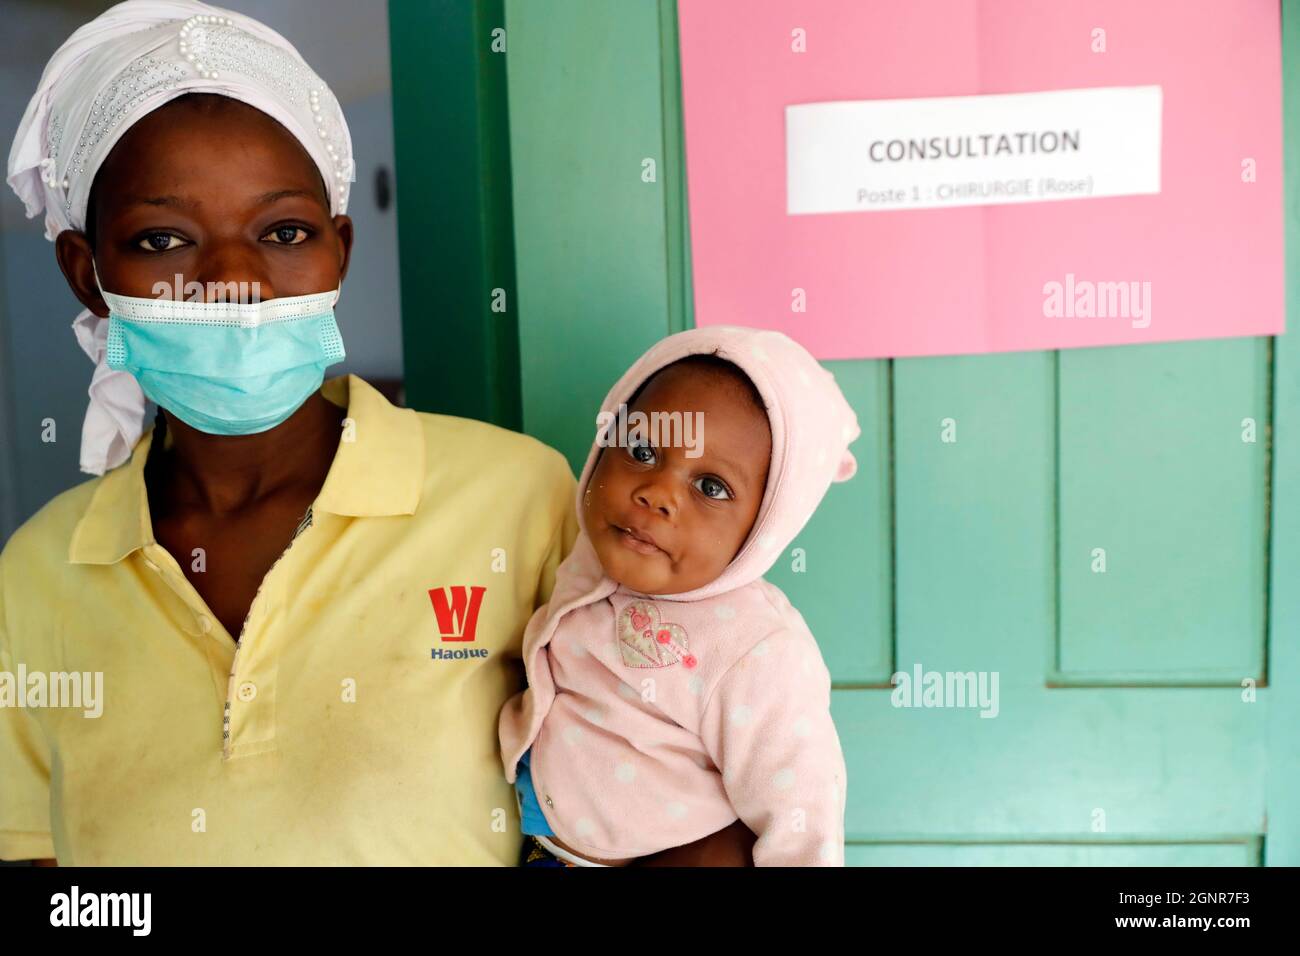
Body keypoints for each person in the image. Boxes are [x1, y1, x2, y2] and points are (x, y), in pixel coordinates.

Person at [0, 0, 752, 866]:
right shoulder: (38, 575)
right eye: (163, 238)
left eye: (284, 231)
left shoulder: (519, 498)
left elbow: (678, 795)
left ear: (339, 248)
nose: (234, 281)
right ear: (85, 272)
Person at [500, 326, 859, 866]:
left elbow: (804, 810)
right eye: (641, 450)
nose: (657, 493)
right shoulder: (596, 555)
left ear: (764, 527)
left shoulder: (755, 649)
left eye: (711, 487)